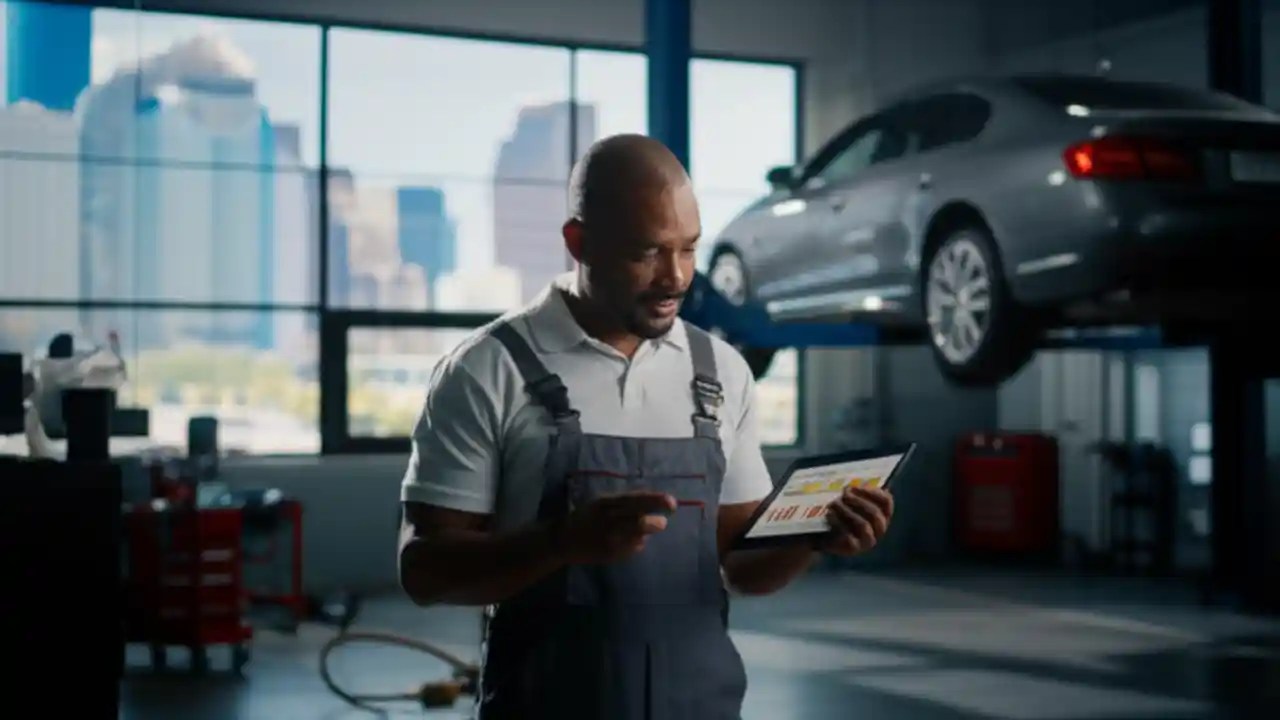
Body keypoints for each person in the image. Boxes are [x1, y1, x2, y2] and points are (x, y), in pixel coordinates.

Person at [398, 133, 895, 720]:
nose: (676, 277)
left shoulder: (721, 371)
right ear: (578, 242)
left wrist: (813, 538)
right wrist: (561, 542)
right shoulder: (486, 369)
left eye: (688, 249)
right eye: (647, 253)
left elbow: (742, 567)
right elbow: (424, 571)